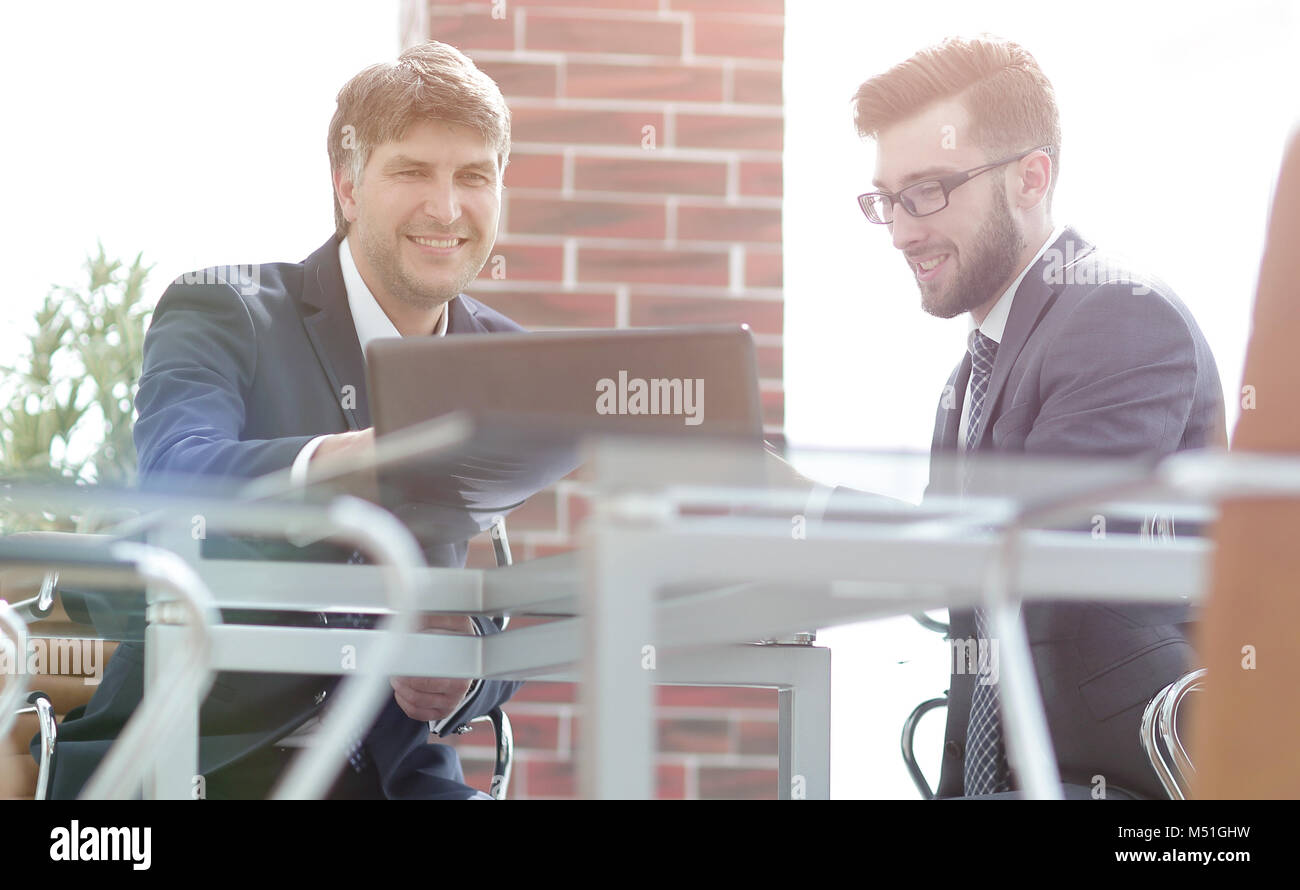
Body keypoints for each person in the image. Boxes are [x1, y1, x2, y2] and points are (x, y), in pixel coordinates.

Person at [40, 41, 525, 800]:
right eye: (411, 171)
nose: (447, 207)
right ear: (348, 186)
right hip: (197, 762)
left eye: (474, 176)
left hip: (396, 778)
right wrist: (347, 460)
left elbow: (519, 607)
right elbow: (178, 476)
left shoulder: (511, 361)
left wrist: (469, 674)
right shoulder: (221, 308)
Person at [851, 35, 1225, 798]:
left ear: (1031, 177)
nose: (901, 229)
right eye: (887, 199)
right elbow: (958, 592)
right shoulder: (967, 380)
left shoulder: (1119, 313)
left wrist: (796, 506)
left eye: (927, 190)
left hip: (1137, 789)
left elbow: (1019, 544)